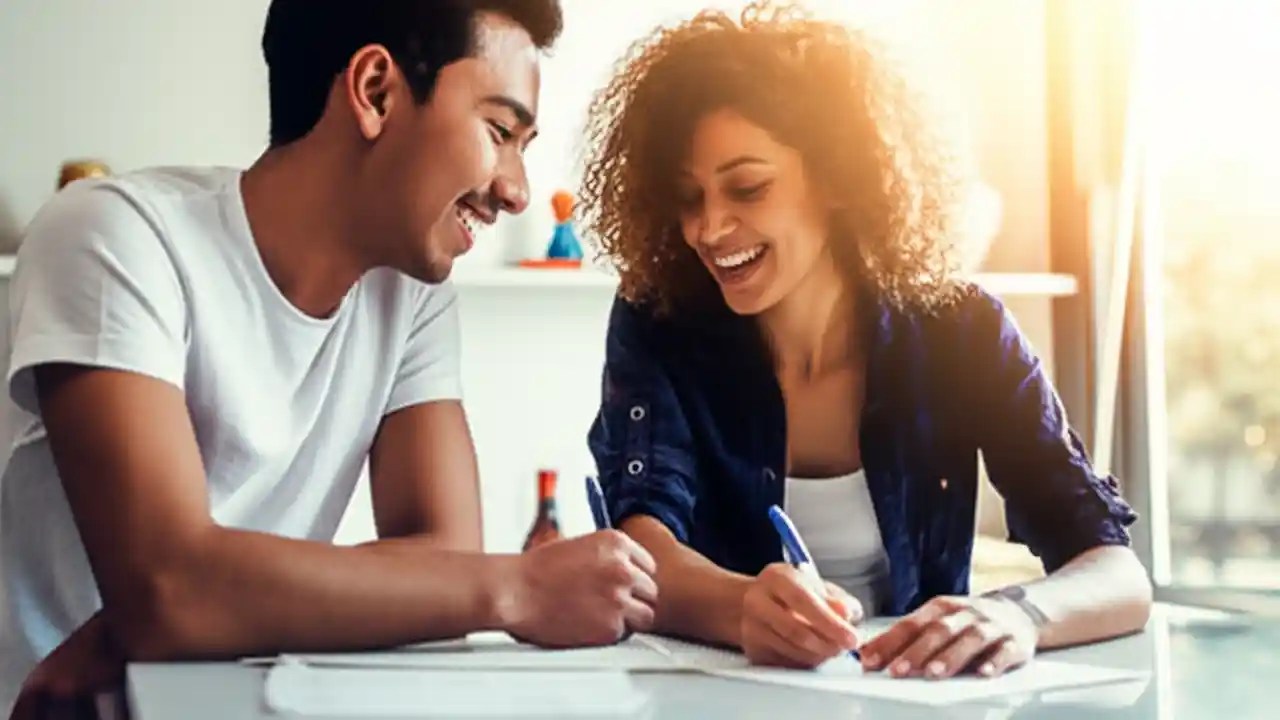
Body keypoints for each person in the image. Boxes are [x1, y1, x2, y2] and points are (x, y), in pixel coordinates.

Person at [0, 1, 661, 716]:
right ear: (375, 91)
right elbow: (170, 590)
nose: (515, 188)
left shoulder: (411, 298)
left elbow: (444, 558)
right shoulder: (114, 237)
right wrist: (520, 587)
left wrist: (191, 600)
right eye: (499, 131)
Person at [581, 1, 1152, 679]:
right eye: (688, 197)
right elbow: (644, 544)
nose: (708, 228)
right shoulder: (660, 319)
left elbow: (1116, 571)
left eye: (748, 187)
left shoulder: (961, 332)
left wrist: (1016, 614)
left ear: (840, 179)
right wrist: (740, 608)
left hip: (912, 699)